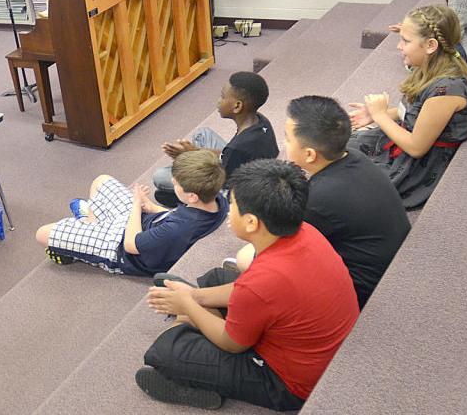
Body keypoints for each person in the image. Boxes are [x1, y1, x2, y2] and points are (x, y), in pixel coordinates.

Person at [136, 159, 358, 411]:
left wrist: (188, 305)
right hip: (313, 345)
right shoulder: (304, 231)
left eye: (232, 205)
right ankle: (196, 311)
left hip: (288, 383)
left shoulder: (263, 280)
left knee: (167, 350)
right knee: (216, 278)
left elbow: (232, 343)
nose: (228, 210)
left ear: (251, 222)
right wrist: (197, 297)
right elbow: (251, 289)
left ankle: (195, 372)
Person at [281, 96, 411, 308]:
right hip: (394, 265)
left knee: (248, 258)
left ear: (310, 154)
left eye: (287, 139)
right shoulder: (354, 156)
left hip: (363, 294)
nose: (284, 144)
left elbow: (286, 252)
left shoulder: (317, 198)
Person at [350, 5, 467, 209]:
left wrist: (381, 116)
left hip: (422, 163)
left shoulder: (446, 90)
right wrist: (375, 115)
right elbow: (415, 111)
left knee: (350, 180)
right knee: (342, 146)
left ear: (430, 45)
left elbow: (416, 148)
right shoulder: (429, 66)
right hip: (410, 133)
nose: (399, 46)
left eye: (406, 41)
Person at [36, 150, 227, 277]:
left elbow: (130, 245)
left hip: (120, 249)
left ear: (192, 196)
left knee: (42, 234)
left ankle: (86, 225)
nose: (173, 183)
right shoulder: (217, 201)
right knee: (101, 181)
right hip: (143, 223)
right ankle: (90, 225)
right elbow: (175, 217)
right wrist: (150, 207)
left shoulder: (178, 229)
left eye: (176, 184)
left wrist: (136, 204)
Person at [152, 71, 278, 207]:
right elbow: (226, 154)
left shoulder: (238, 147)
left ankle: (197, 200)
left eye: (223, 97)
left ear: (237, 106)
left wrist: (189, 157)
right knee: (202, 134)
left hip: (232, 189)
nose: (218, 101)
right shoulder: (260, 120)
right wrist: (195, 151)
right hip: (243, 166)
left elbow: (218, 181)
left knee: (160, 177)